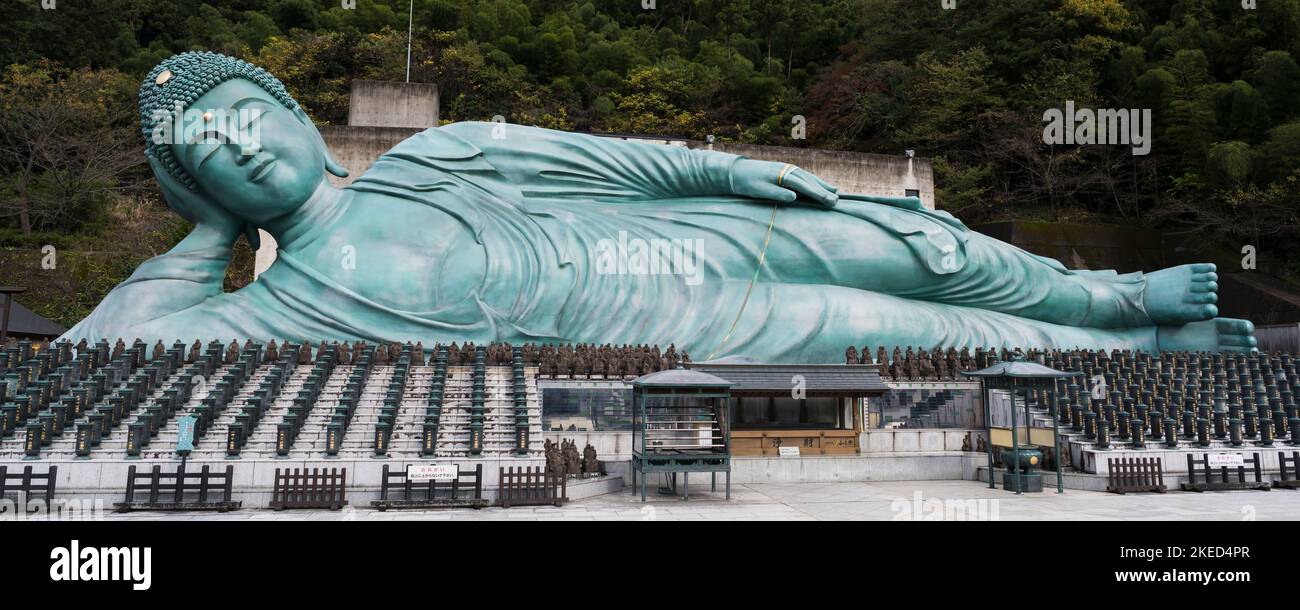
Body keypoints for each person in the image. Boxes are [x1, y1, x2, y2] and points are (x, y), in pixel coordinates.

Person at [61, 52, 1255, 363]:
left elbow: (616, 160)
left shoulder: (447, 152)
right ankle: (1133, 344)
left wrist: (729, 171)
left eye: (242, 115)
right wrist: (209, 242)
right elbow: (92, 357)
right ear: (194, 184)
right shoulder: (288, 303)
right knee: (893, 332)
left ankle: (1104, 291)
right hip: (666, 330)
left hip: (665, 234)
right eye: (204, 154)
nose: (241, 151)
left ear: (294, 110)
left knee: (893, 241)